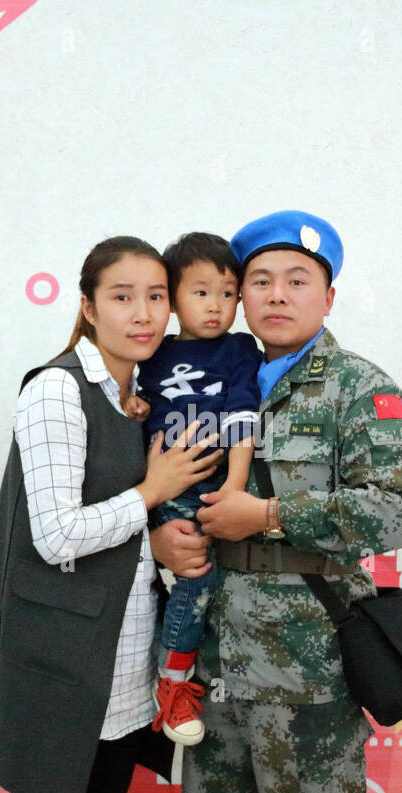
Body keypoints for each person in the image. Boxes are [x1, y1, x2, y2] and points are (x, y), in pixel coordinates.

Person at [0, 236, 222, 793]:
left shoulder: (141, 395)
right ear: (89, 308)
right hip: (63, 661)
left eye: (156, 297)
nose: (143, 314)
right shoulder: (57, 390)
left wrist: (157, 542)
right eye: (122, 298)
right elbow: (57, 536)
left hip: (124, 661)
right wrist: (152, 492)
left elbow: (123, 530)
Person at [179, 210, 402, 793]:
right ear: (241, 296)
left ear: (328, 297)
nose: (278, 295)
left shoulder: (360, 389)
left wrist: (267, 515)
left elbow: (396, 512)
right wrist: (164, 539)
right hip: (214, 660)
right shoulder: (204, 381)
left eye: (297, 281)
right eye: (260, 281)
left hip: (309, 668)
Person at [125, 232, 261, 747]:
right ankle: (167, 681)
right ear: (172, 298)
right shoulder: (151, 350)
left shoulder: (239, 349)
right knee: (182, 580)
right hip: (154, 489)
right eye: (201, 292)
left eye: (228, 294)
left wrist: (234, 486)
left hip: (211, 488)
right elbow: (131, 399)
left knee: (197, 581)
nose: (216, 306)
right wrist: (133, 403)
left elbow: (242, 416)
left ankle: (171, 677)